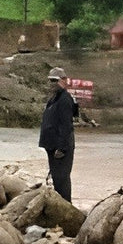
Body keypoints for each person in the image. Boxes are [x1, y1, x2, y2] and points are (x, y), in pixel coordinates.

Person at [38, 67, 76, 202]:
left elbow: (66, 126)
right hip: (52, 146)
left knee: (62, 179)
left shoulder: (65, 99)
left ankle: (66, 206)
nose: (52, 84)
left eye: (55, 80)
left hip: (61, 148)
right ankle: (60, 206)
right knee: (56, 178)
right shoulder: (54, 98)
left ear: (64, 80)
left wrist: (62, 148)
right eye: (50, 81)